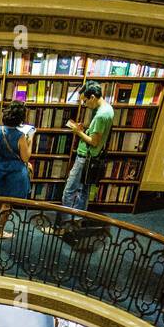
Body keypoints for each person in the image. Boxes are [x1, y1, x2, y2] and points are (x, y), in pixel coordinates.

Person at [54, 81, 114, 235]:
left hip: (85, 157)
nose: (85, 104)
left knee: (69, 191)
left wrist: (77, 132)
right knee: (84, 191)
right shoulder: (108, 108)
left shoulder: (101, 115)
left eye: (85, 101)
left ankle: (66, 225)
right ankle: (78, 221)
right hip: (93, 158)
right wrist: (85, 129)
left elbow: (94, 142)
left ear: (92, 97)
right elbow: (97, 135)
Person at [0, 101, 34, 239]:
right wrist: (30, 139)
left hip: (1, 170)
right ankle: (0, 232)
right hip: (16, 174)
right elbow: (25, 158)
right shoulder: (20, 136)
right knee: (8, 205)